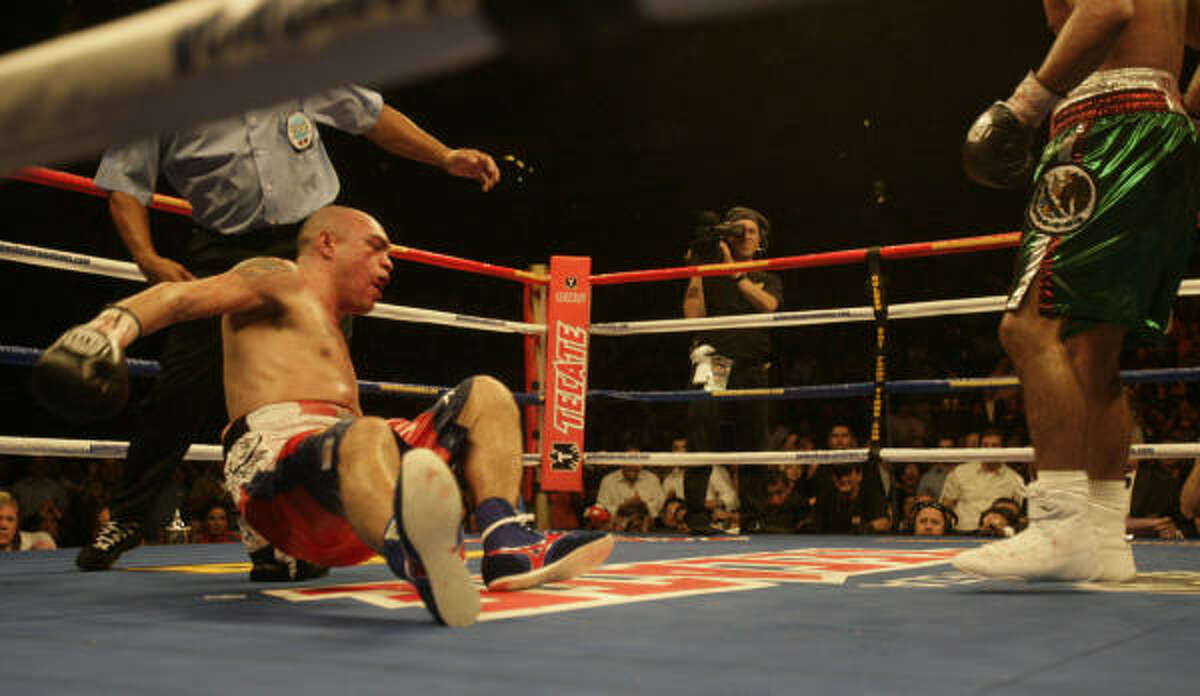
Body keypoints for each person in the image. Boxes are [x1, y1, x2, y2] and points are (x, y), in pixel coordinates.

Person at [34, 206, 613, 627]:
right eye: (377, 246)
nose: (389, 262)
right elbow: (179, 298)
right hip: (279, 470)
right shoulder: (276, 277)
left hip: (350, 486)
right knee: (361, 436)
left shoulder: (328, 321)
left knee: (485, 394)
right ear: (328, 243)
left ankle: (505, 541)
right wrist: (105, 331)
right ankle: (421, 557)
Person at [77, 85, 500, 578]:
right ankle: (128, 517)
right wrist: (146, 257)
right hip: (226, 248)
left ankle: (320, 526)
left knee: (325, 388)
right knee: (181, 387)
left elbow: (369, 115)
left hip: (314, 242)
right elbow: (124, 184)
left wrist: (444, 156)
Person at [957, 0, 1200, 580]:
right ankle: (1101, 536)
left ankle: (1058, 524)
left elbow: (1108, 8)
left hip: (1107, 124)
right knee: (1094, 349)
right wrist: (1183, 114)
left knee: (1027, 325)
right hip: (1157, 125)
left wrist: (1024, 104)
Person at [682, 206, 782, 533]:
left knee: (754, 441)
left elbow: (768, 308)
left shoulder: (768, 275)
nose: (745, 236)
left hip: (754, 366)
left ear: (760, 240)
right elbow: (692, 318)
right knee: (701, 435)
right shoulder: (710, 272)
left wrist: (734, 273)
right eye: (738, 230)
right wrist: (699, 267)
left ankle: (754, 519)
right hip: (715, 361)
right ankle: (696, 516)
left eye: (751, 231)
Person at [939, 429, 1026, 533]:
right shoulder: (960, 472)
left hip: (996, 535)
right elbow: (946, 508)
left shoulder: (1015, 479)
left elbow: (1017, 516)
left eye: (994, 446)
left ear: (1003, 449)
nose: (989, 450)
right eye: (985, 445)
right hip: (960, 533)